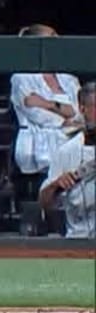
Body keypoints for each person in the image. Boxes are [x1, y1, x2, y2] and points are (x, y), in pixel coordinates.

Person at [10, 25, 81, 176]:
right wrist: (64, 119)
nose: (58, 41)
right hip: (37, 149)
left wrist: (47, 103)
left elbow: (77, 111)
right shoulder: (21, 78)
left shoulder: (69, 79)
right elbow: (36, 114)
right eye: (52, 37)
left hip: (73, 142)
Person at [39, 84, 94, 239]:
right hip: (80, 240)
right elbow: (44, 203)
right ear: (83, 109)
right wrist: (57, 185)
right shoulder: (67, 151)